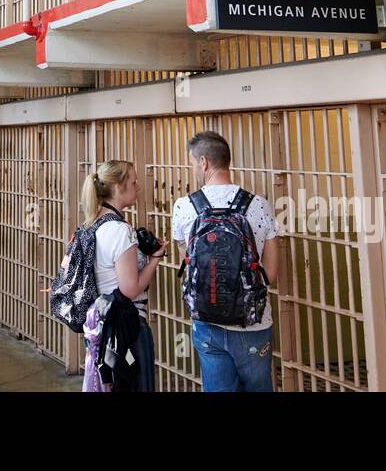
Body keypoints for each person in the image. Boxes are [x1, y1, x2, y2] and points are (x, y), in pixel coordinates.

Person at [171, 130, 280, 392]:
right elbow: (271, 273)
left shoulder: (184, 206)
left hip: (207, 321)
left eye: (192, 162)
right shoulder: (259, 205)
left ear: (204, 162)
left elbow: (188, 264)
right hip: (253, 322)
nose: (193, 168)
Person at [80, 159, 165, 392]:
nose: (138, 187)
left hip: (100, 323)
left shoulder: (91, 224)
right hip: (126, 327)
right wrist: (155, 258)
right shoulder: (119, 230)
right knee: (135, 385)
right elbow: (130, 289)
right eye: (134, 182)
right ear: (118, 187)